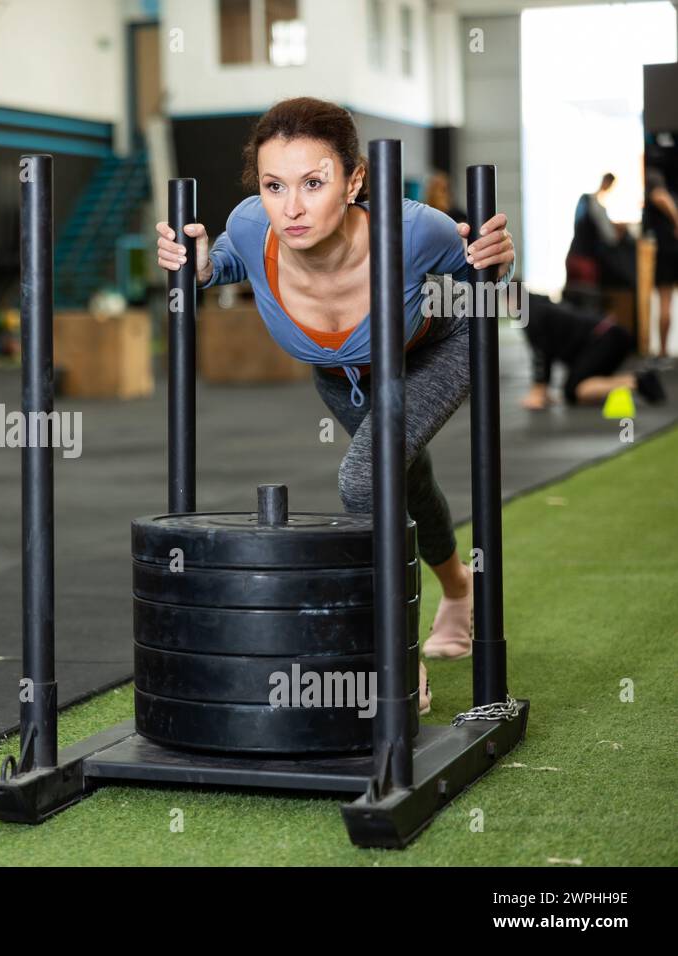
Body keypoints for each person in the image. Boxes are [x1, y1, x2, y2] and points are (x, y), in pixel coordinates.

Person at [155, 97, 517, 715]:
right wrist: (199, 265)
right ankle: (459, 589)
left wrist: (499, 258)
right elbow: (226, 261)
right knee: (403, 477)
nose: (291, 207)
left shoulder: (413, 231)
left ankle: (392, 656)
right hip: (341, 379)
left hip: (433, 353)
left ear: (353, 181)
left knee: (365, 477)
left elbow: (494, 276)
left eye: (313, 183)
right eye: (274, 185)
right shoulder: (250, 225)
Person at [519, 293, 665, 410]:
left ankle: (636, 381)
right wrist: (543, 390)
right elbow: (547, 350)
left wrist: (538, 391)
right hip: (611, 335)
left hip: (607, 338)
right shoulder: (540, 305)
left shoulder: (532, 313)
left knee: (575, 391)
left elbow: (540, 353)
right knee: (572, 389)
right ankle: (634, 380)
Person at [568, 173, 635, 291]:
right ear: (608, 183)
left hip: (572, 256)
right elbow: (610, 238)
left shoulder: (584, 200)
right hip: (586, 262)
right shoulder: (596, 205)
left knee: (572, 299)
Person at [642, 168, 678, 357]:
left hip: (667, 253)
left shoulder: (656, 193)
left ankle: (663, 350)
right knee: (667, 302)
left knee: (665, 302)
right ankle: (663, 350)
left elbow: (661, 198)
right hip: (670, 252)